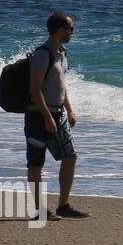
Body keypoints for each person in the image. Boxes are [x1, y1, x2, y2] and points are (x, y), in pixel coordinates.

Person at [27, 12, 89, 219]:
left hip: (58, 114)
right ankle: (39, 211)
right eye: (71, 28)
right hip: (39, 116)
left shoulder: (62, 52)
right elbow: (35, 89)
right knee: (37, 163)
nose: (73, 32)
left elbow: (61, 86)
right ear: (61, 30)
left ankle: (63, 205)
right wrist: (46, 117)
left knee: (70, 157)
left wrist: (69, 110)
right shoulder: (43, 54)